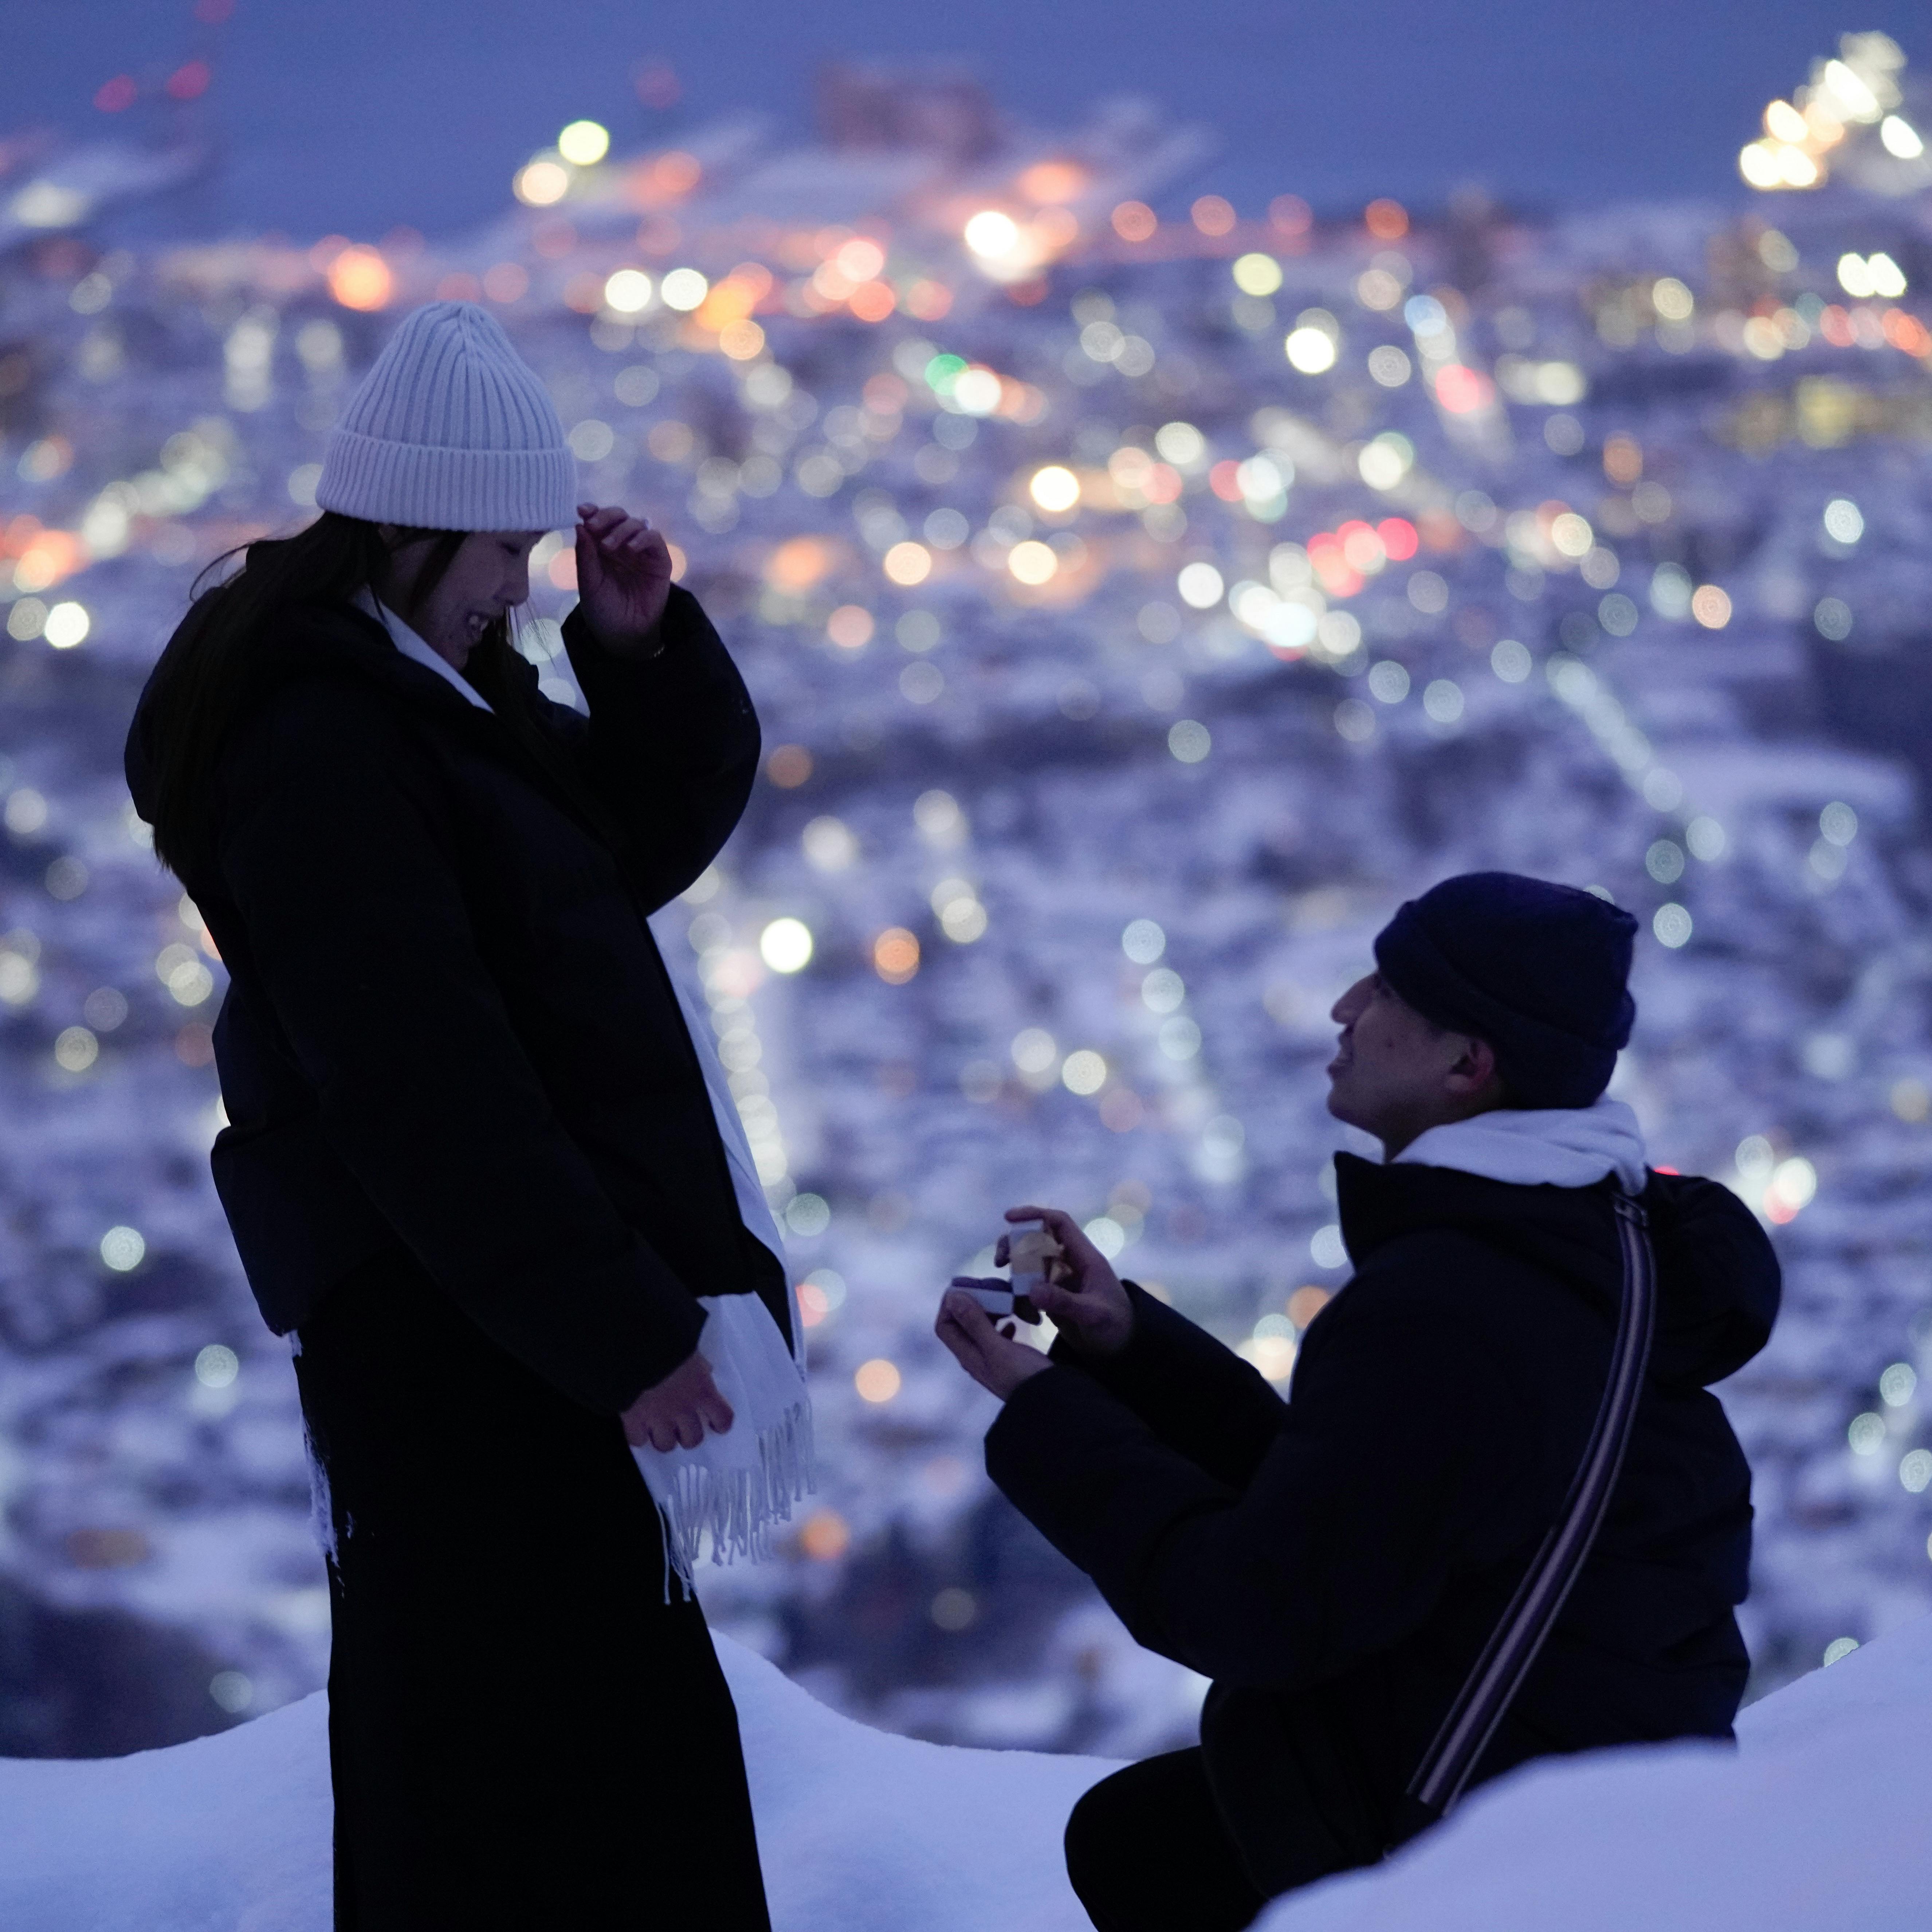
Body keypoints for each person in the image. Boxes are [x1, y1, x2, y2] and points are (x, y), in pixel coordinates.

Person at [125, 302, 796, 1930]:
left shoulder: (430, 692)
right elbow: (427, 1091)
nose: (520, 581)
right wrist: (626, 1331)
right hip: (457, 1333)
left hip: (487, 1319)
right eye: (501, 548)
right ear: (412, 529)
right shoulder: (328, 744)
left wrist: (635, 650)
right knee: (532, 1766)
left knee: (543, 1753)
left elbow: (605, 855)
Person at [936, 872, 1779, 1932]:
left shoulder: (1450, 1301)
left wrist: (1044, 1411)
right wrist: (1130, 1351)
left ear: (1468, 1065)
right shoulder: (1597, 1236)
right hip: (1588, 1781)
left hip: (1484, 1834)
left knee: (1140, 1847)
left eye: (1386, 992)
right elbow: (1363, 1498)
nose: (1343, 1009)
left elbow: (1257, 1612)